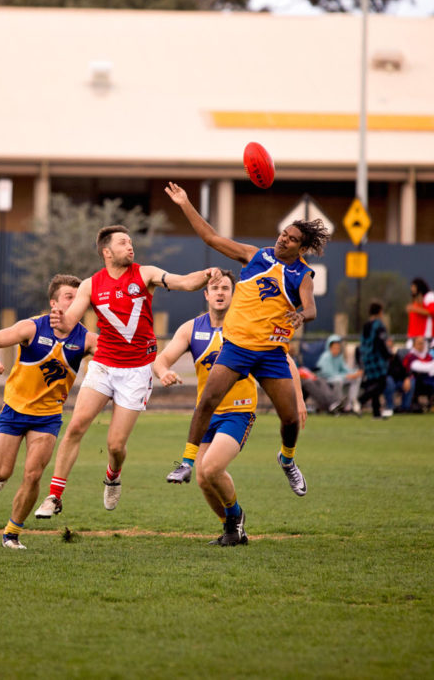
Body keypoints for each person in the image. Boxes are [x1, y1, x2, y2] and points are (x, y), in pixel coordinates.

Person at [165, 181, 330, 542]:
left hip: (271, 352)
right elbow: (210, 238)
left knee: (289, 418)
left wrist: (303, 316)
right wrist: (185, 204)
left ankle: (287, 459)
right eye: (282, 234)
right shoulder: (255, 255)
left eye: (289, 238)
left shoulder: (302, 274)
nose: (281, 239)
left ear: (301, 247)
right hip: (238, 347)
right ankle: (186, 462)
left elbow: (312, 305)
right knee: (207, 398)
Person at [33, 225, 222, 520]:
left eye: (131, 242)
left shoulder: (145, 274)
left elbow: (183, 282)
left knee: (116, 445)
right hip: (104, 365)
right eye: (123, 243)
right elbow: (69, 323)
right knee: (76, 426)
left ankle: (113, 475)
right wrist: (58, 320)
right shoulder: (90, 285)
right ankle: (54, 496)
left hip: (137, 371)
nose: (130, 246)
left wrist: (206, 275)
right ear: (107, 252)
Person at [153, 270, 307, 546]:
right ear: (206, 294)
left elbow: (284, 361)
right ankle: (233, 529)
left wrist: (298, 398)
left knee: (211, 468)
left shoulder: (250, 326)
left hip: (238, 412)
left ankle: (236, 517)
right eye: (215, 288)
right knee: (202, 479)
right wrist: (163, 372)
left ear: (234, 294)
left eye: (226, 287)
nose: (221, 292)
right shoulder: (191, 329)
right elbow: (161, 359)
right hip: (206, 416)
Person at [0, 274, 97, 550]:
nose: (75, 302)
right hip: (14, 410)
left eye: (79, 298)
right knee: (2, 472)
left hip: (48, 417)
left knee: (33, 475)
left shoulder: (87, 339)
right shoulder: (32, 328)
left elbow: (112, 355)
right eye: (69, 297)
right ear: (53, 303)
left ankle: (12, 533)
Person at [358, 301, 394, 419]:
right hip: (377, 359)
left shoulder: (365, 325)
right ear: (379, 312)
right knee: (381, 384)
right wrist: (388, 354)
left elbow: (362, 343)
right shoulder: (379, 325)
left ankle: (376, 413)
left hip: (367, 359)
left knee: (373, 384)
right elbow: (381, 343)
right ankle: (361, 399)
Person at [314, 334, 362, 414]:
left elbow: (345, 369)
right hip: (327, 380)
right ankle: (338, 404)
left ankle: (350, 404)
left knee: (357, 378)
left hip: (339, 377)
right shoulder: (325, 357)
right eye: (334, 347)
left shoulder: (339, 357)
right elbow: (328, 373)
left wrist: (355, 373)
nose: (336, 349)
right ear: (329, 347)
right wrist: (346, 376)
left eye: (338, 347)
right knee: (338, 381)